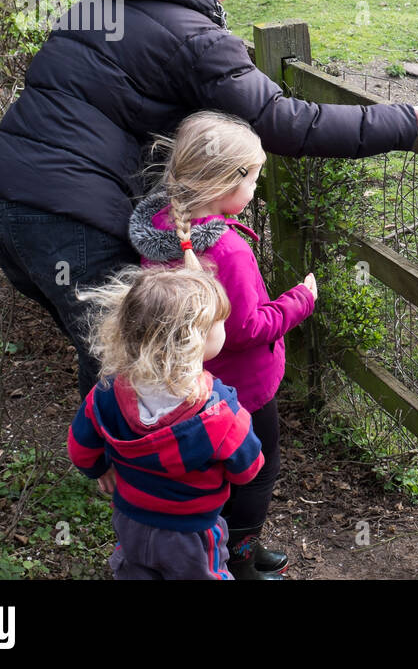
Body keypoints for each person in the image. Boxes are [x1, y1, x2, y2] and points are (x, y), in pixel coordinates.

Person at [0, 0, 418, 401]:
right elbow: (281, 122)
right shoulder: (193, 33)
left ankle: (120, 462)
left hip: (3, 208)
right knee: (131, 370)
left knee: (112, 353)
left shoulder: (97, 5)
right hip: (71, 223)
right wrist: (399, 121)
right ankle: (133, 471)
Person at [128, 110, 315, 579]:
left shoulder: (158, 224)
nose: (255, 190)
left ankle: (220, 544)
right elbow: (246, 329)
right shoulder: (227, 249)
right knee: (255, 469)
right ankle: (239, 556)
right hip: (244, 389)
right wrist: (301, 299)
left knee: (209, 471)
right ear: (224, 183)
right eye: (253, 179)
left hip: (186, 385)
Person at [67, 264, 262, 580]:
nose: (225, 325)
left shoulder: (106, 393)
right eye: (217, 322)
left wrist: (98, 468)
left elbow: (80, 447)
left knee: (136, 572)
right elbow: (249, 467)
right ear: (191, 342)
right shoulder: (220, 413)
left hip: (132, 520)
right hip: (192, 533)